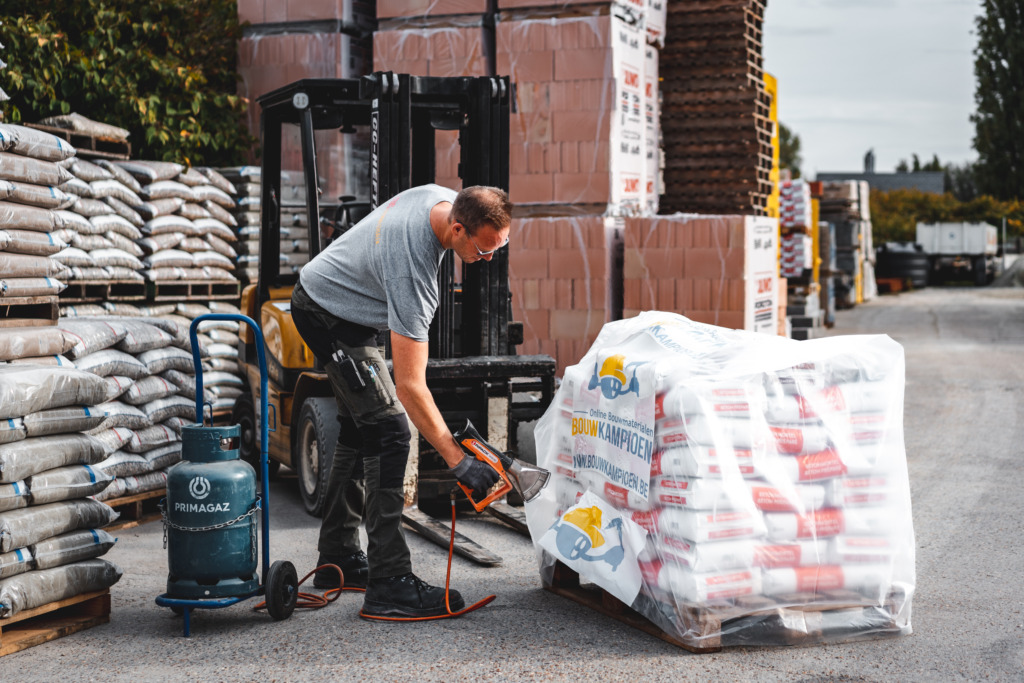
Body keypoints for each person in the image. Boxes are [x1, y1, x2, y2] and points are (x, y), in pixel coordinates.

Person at [290, 183, 511, 619]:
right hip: (326, 313)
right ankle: (390, 582)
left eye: (497, 250)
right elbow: (411, 386)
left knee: (360, 427)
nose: (486, 262)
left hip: (346, 307)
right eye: (483, 251)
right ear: (459, 228)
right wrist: (458, 461)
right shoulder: (414, 272)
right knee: (391, 429)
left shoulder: (443, 199)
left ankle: (338, 561)